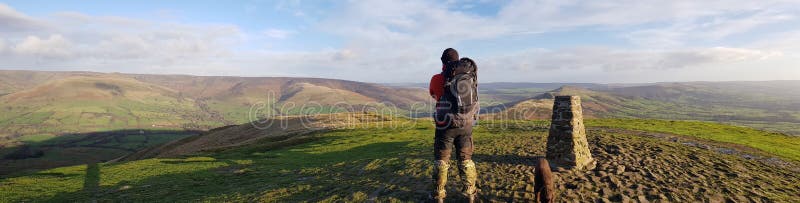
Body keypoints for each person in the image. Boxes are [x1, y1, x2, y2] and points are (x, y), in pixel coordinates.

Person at [428, 48, 479, 203]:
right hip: (466, 125)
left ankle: (439, 197)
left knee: (442, 161)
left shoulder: (437, 78)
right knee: (465, 159)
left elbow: (434, 94)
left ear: (443, 61)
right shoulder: (468, 78)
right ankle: (470, 194)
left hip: (445, 127)